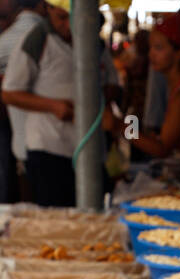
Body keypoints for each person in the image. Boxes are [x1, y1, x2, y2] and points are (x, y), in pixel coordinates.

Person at [2, 0, 116, 206]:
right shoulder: (38, 39)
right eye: (62, 18)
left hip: (91, 148)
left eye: (73, 18)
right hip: (48, 148)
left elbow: (115, 87)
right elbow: (9, 93)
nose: (68, 25)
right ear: (48, 9)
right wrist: (53, 106)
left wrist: (98, 102)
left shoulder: (95, 43)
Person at [122, 12, 180, 166]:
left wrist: (121, 127)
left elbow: (162, 148)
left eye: (158, 48)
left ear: (178, 53)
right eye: (151, 48)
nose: (151, 54)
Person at [0, 0, 44, 200]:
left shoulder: (5, 40)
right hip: (46, 146)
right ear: (44, 6)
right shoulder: (45, 38)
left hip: (21, 144)